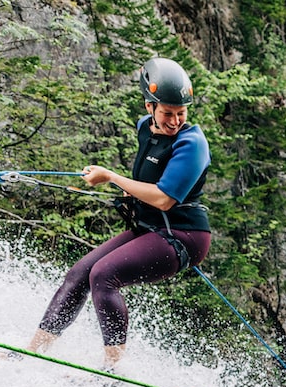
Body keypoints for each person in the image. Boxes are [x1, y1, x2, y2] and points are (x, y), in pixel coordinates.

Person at [22, 57, 211, 368]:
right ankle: (34, 350)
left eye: (181, 113)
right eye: (167, 113)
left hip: (184, 236)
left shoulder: (192, 144)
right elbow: (149, 180)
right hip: (151, 228)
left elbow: (164, 198)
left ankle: (113, 370)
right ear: (150, 106)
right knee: (79, 274)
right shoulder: (144, 128)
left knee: (104, 275)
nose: (175, 120)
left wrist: (111, 177)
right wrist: (127, 188)